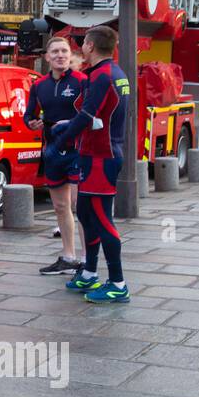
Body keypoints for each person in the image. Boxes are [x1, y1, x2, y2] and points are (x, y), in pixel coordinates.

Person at [52, 25, 131, 303]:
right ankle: (89, 273)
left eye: (83, 43)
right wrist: (67, 125)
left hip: (102, 156)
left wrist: (60, 144)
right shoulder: (113, 73)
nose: (80, 47)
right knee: (85, 213)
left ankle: (118, 283)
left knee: (101, 219)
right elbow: (100, 115)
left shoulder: (102, 75)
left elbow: (87, 116)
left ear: (91, 47)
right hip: (96, 153)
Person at [27, 37, 86, 274]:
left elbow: (91, 114)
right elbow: (29, 114)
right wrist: (32, 122)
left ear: (70, 55)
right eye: (55, 51)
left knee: (79, 205)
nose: (60, 55)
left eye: (64, 51)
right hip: (52, 150)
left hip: (77, 149)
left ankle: (86, 259)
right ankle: (68, 256)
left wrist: (72, 125)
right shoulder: (39, 85)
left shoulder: (82, 81)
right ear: (47, 57)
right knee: (60, 206)